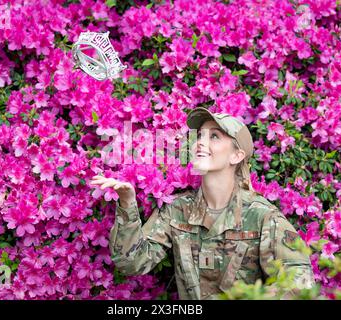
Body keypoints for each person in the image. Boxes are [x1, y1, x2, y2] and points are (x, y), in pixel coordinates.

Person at [90, 107, 315, 300]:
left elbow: (299, 281)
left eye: (214, 136)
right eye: (200, 136)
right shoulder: (178, 209)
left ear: (236, 156)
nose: (200, 142)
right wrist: (127, 203)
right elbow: (132, 263)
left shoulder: (263, 217)